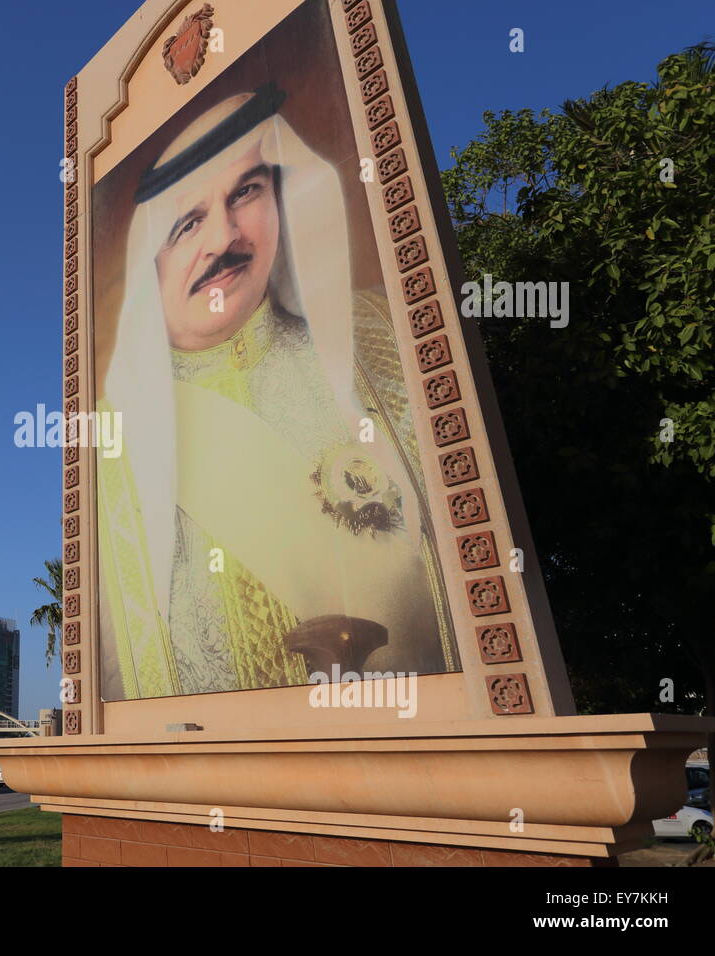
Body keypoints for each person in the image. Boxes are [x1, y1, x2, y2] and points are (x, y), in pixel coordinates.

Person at [96, 84, 456, 700]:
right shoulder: (106, 446)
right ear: (145, 265)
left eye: (246, 193)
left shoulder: (377, 340)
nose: (223, 238)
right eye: (187, 224)